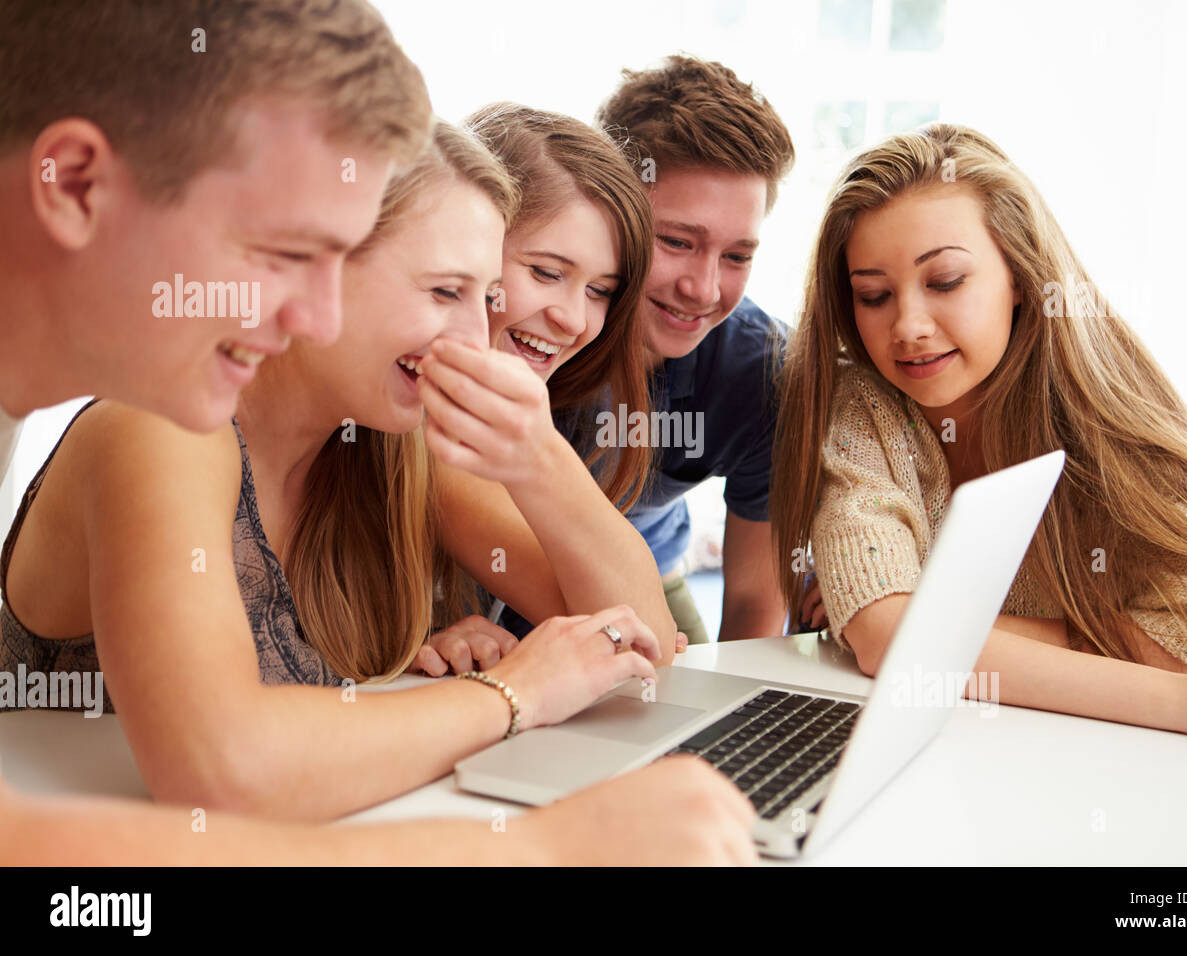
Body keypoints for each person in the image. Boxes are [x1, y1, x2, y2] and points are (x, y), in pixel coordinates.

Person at [0, 0, 755, 865]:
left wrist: (539, 455)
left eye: (485, 295)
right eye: (444, 292)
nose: (480, 338)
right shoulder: (159, 423)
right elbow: (222, 768)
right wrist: (511, 701)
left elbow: (638, 627)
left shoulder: (391, 442)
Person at [771, 123, 1187, 739]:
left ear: (1019, 275)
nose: (908, 325)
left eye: (945, 282)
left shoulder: (1110, 405)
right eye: (873, 295)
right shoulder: (863, 406)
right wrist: (1177, 696)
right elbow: (889, 639)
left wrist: (929, 621)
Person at [409, 103, 679, 675]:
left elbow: (642, 637)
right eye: (548, 273)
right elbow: (639, 635)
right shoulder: (416, 417)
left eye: (601, 290)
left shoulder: (505, 414)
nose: (574, 320)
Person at [577, 55, 798, 645]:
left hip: (650, 570)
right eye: (677, 241)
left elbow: (754, 603)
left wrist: (734, 724)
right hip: (489, 575)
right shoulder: (532, 326)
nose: (703, 289)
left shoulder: (762, 373)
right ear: (607, 211)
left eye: (737, 256)